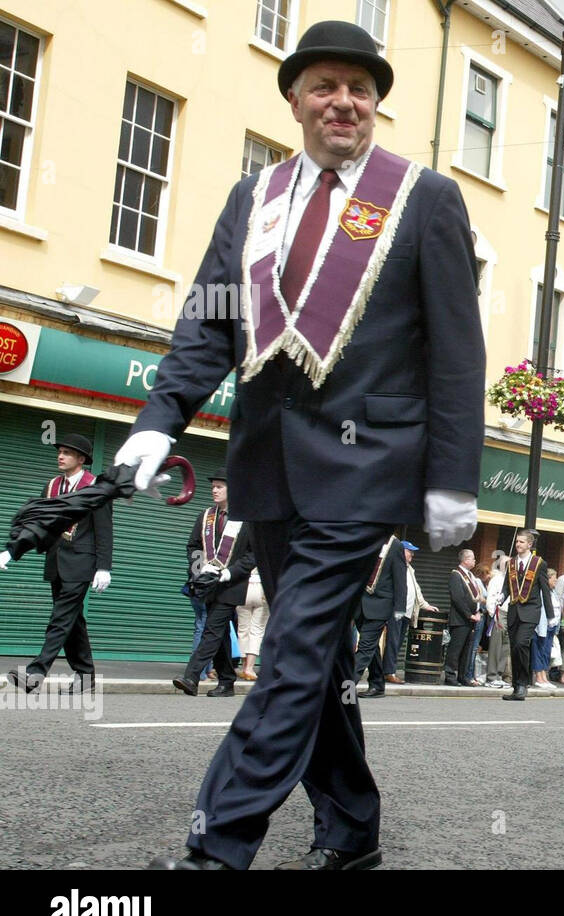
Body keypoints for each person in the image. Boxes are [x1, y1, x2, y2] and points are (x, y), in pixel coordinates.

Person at [116, 20, 483, 870]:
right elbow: (209, 321)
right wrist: (156, 418)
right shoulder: (256, 198)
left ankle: (219, 844)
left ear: (377, 103)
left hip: (368, 466)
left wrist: (451, 481)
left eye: (360, 88)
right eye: (325, 86)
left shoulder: (422, 197)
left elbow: (458, 351)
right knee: (309, 664)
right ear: (295, 99)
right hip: (269, 465)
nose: (343, 102)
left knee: (286, 654)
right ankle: (352, 827)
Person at [5, 433, 112, 693]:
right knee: (73, 621)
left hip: (82, 562)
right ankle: (86, 676)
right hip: (56, 561)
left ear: (81, 459)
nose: (60, 456)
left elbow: (104, 528)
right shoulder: (52, 486)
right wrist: (12, 550)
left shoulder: (95, 486)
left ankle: (35, 673)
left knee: (61, 618)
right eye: (60, 451)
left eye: (66, 452)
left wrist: (103, 566)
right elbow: (38, 524)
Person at [173, 480, 258, 698]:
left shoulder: (248, 518)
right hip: (208, 583)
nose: (214, 490)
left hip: (232, 584)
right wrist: (197, 569)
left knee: (212, 629)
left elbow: (254, 554)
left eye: (220, 486)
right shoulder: (206, 516)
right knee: (219, 634)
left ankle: (191, 677)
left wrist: (231, 572)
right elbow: (193, 545)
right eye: (213, 486)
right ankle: (227, 682)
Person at [354, 533, 407, 699]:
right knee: (371, 648)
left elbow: (400, 578)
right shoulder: (366, 539)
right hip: (360, 604)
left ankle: (344, 690)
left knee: (364, 648)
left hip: (380, 606)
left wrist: (400, 609)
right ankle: (377, 685)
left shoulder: (395, 545)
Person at [501, 530, 553, 701]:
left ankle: (523, 684)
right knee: (514, 648)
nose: (518, 545)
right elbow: (507, 586)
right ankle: (516, 687)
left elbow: (545, 590)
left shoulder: (539, 563)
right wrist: (501, 596)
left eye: (522, 542)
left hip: (531, 611)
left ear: (530, 544)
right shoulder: (512, 563)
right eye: (517, 542)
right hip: (514, 610)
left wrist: (550, 614)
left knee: (521, 644)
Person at [388, 540, 436, 685]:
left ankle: (390, 670)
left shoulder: (410, 569)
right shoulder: (396, 566)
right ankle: (389, 672)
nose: (412, 554)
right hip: (396, 611)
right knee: (392, 642)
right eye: (410, 551)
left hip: (407, 613)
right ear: (401, 551)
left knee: (398, 642)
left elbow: (416, 590)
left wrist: (425, 605)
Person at [445, 548, 482, 686]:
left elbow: (475, 597)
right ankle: (450, 675)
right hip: (460, 619)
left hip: (472, 619)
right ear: (465, 560)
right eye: (472, 558)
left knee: (466, 650)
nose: (474, 560)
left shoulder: (470, 576)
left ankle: (462, 676)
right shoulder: (456, 575)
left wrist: (478, 611)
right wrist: (469, 614)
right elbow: (458, 598)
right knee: (456, 649)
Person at [235, 566, 268, 681]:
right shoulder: (269, 549)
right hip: (263, 588)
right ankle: (249, 668)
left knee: (243, 629)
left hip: (244, 586)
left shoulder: (244, 549)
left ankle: (244, 666)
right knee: (257, 631)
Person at [484, 553, 511, 688]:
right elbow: (490, 599)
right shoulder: (497, 580)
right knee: (496, 646)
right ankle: (491, 676)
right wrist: (493, 615)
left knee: (505, 646)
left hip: (509, 613)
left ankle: (499, 674)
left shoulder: (512, 580)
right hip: (499, 613)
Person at [533, 567, 560, 689]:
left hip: (552, 626)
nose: (555, 582)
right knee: (539, 651)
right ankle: (539, 677)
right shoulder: (541, 591)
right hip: (542, 626)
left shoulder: (553, 592)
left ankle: (544, 676)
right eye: (554, 579)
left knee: (546, 652)